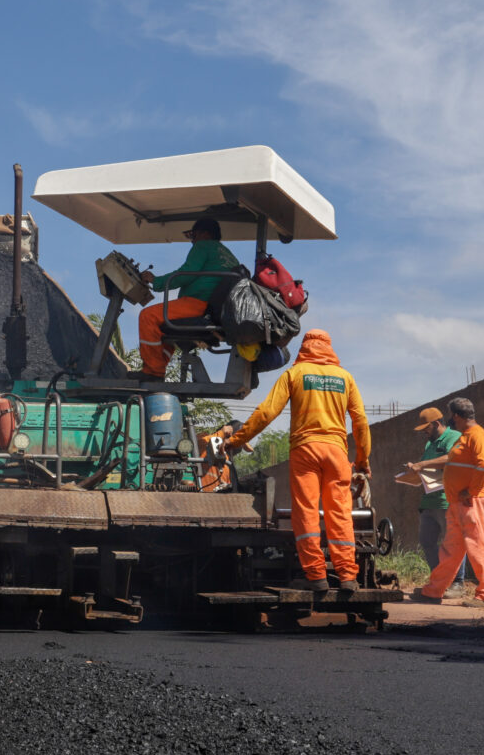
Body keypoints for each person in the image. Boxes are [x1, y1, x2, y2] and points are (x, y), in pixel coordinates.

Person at [225, 329, 370, 595]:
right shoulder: (345, 378)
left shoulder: (295, 374)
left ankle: (316, 576)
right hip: (337, 452)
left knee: (306, 514)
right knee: (340, 514)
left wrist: (236, 440)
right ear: (329, 347)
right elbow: (359, 421)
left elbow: (267, 411)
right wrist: (362, 460)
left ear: (305, 347)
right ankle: (348, 576)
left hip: (305, 450)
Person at [134, 217, 242, 381]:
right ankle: (157, 368)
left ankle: (153, 372)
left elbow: (186, 274)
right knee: (163, 325)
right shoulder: (228, 254)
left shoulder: (203, 245)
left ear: (205, 234)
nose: (192, 241)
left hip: (198, 303)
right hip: (214, 310)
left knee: (148, 316)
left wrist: (156, 281)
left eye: (194, 235)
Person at [409, 397, 484, 605]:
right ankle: (433, 591)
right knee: (449, 550)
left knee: (478, 546)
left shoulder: (478, 435)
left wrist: (470, 491)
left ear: (456, 416)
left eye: (451, 416)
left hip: (471, 501)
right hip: (458, 503)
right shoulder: (464, 437)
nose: (451, 420)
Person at [412, 407, 467, 598]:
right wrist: (413, 472)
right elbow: (426, 466)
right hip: (429, 501)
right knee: (427, 541)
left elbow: (451, 457)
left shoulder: (454, 437)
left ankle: (457, 584)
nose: (424, 433)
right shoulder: (430, 444)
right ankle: (439, 581)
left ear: (436, 424)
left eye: (426, 429)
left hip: (447, 499)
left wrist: (422, 465)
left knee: (454, 542)